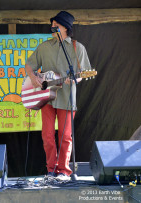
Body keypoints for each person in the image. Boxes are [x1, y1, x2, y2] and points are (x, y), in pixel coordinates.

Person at [25, 11, 91, 181]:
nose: (53, 27)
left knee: (65, 136)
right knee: (47, 135)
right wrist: (33, 78)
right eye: (52, 24)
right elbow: (29, 65)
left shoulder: (78, 48)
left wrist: (75, 79)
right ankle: (51, 170)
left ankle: (63, 171)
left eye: (57, 25)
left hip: (67, 98)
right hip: (46, 97)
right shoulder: (44, 46)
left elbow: (83, 73)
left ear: (66, 28)